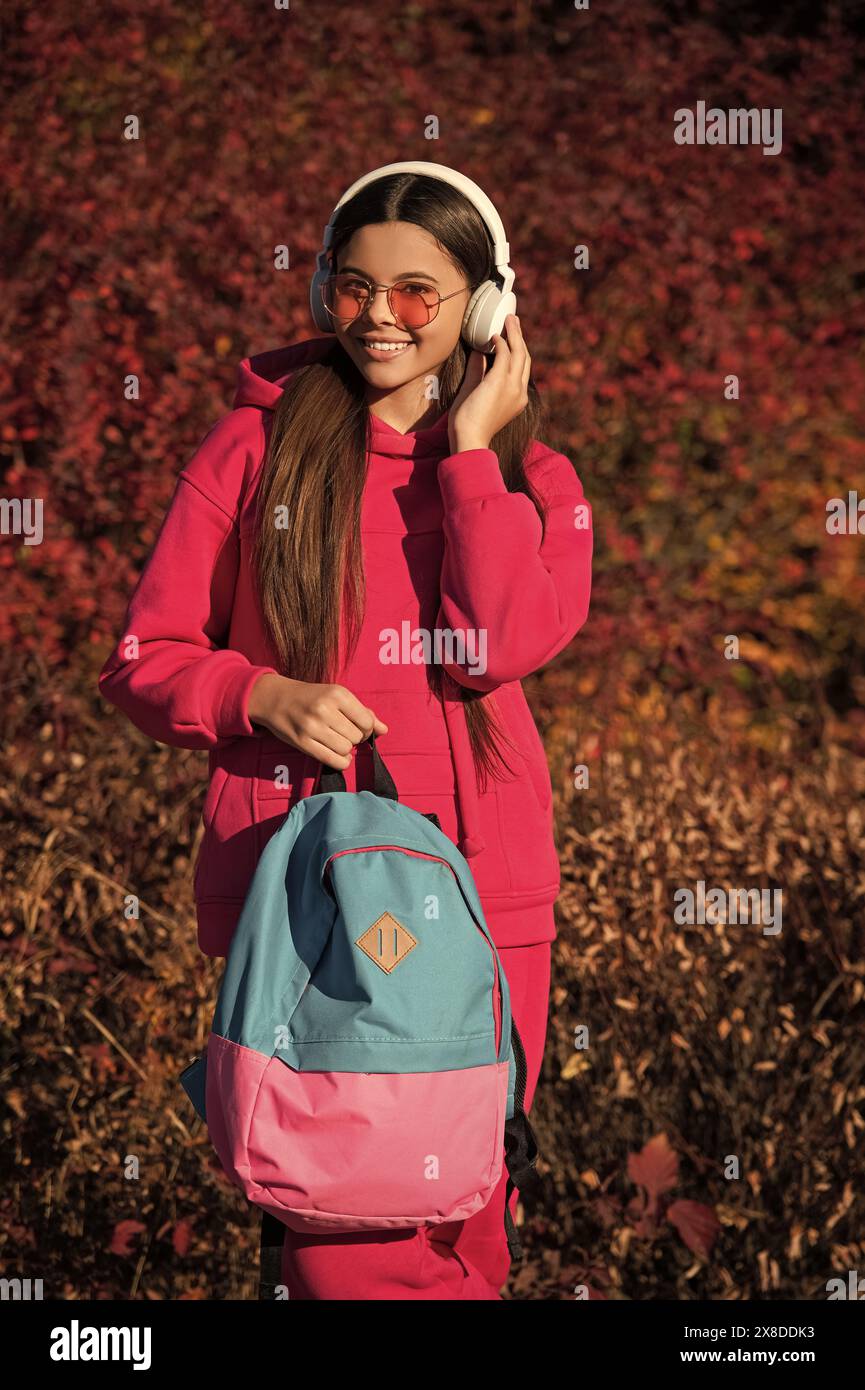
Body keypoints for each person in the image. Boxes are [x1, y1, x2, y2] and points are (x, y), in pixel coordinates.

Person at [98, 162, 593, 1299]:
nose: (379, 317)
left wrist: (468, 455)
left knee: (468, 1209)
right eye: (353, 287)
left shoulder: (532, 476)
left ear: (484, 306)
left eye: (419, 293)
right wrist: (259, 695)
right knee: (340, 1220)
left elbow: (496, 648)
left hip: (484, 894)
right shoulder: (252, 451)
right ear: (323, 286)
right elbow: (142, 660)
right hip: (307, 891)